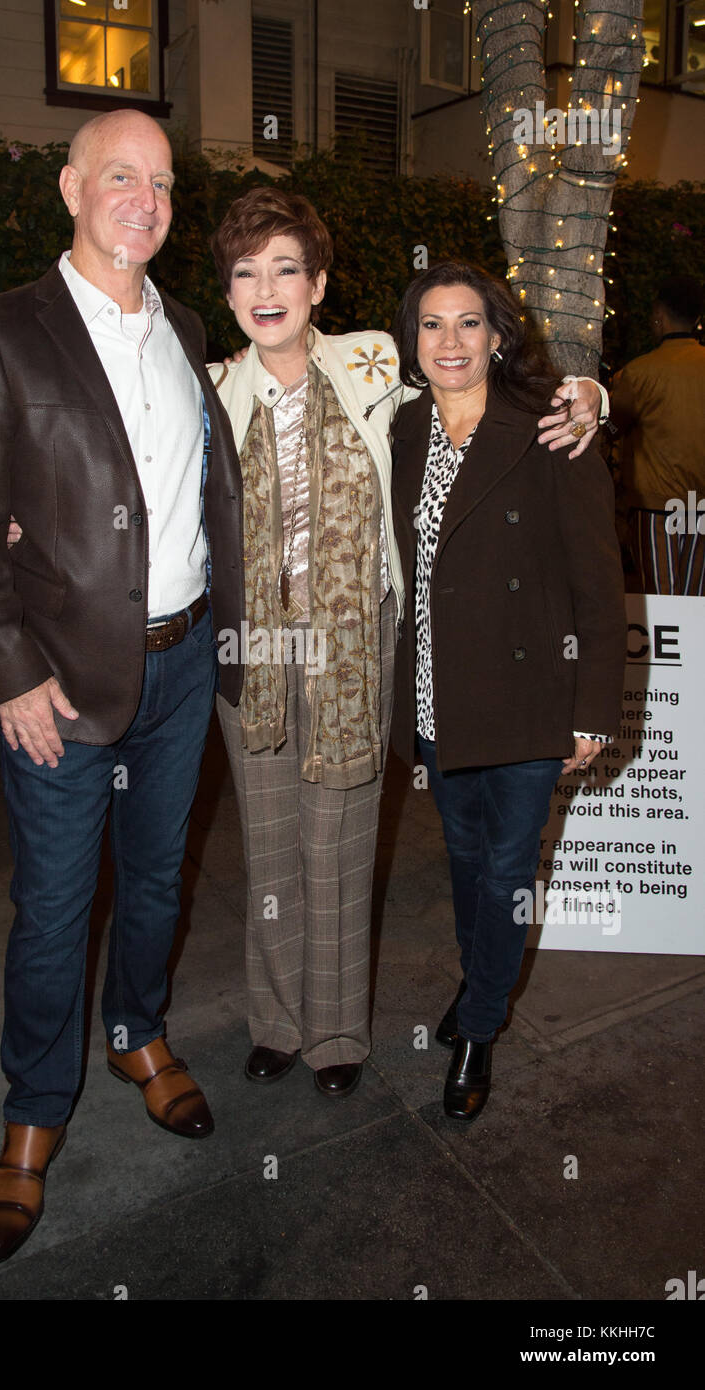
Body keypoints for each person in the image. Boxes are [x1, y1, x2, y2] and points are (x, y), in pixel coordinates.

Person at [205, 190, 606, 1100]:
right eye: (245, 272)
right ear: (228, 291)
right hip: (257, 659)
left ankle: (340, 1032)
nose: (267, 290)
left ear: (318, 283)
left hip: (360, 654)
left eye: (286, 269)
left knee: (344, 850)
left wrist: (589, 394)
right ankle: (276, 1022)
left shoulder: (374, 366)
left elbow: (516, 393)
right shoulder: (212, 388)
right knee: (268, 850)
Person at [0, 109, 244, 1265]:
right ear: (71, 187)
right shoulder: (2, 329)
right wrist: (6, 669)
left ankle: (139, 1033)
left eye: (161, 183)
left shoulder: (189, 329)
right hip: (58, 682)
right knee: (57, 908)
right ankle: (31, 1115)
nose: (144, 200)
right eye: (120, 176)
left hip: (180, 662)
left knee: (158, 877)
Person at [389, 260, 626, 1123]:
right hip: (436, 692)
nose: (450, 342)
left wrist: (595, 707)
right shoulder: (403, 426)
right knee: (463, 862)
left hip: (531, 694)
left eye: (468, 324)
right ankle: (479, 983)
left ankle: (480, 1026)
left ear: (498, 335)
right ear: (411, 341)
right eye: (432, 325)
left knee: (506, 870)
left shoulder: (549, 428)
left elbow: (599, 581)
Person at [611, 275, 705, 594]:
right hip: (701, 506)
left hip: (656, 508)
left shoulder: (640, 373)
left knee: (661, 600)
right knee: (694, 602)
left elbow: (611, 427)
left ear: (658, 317)